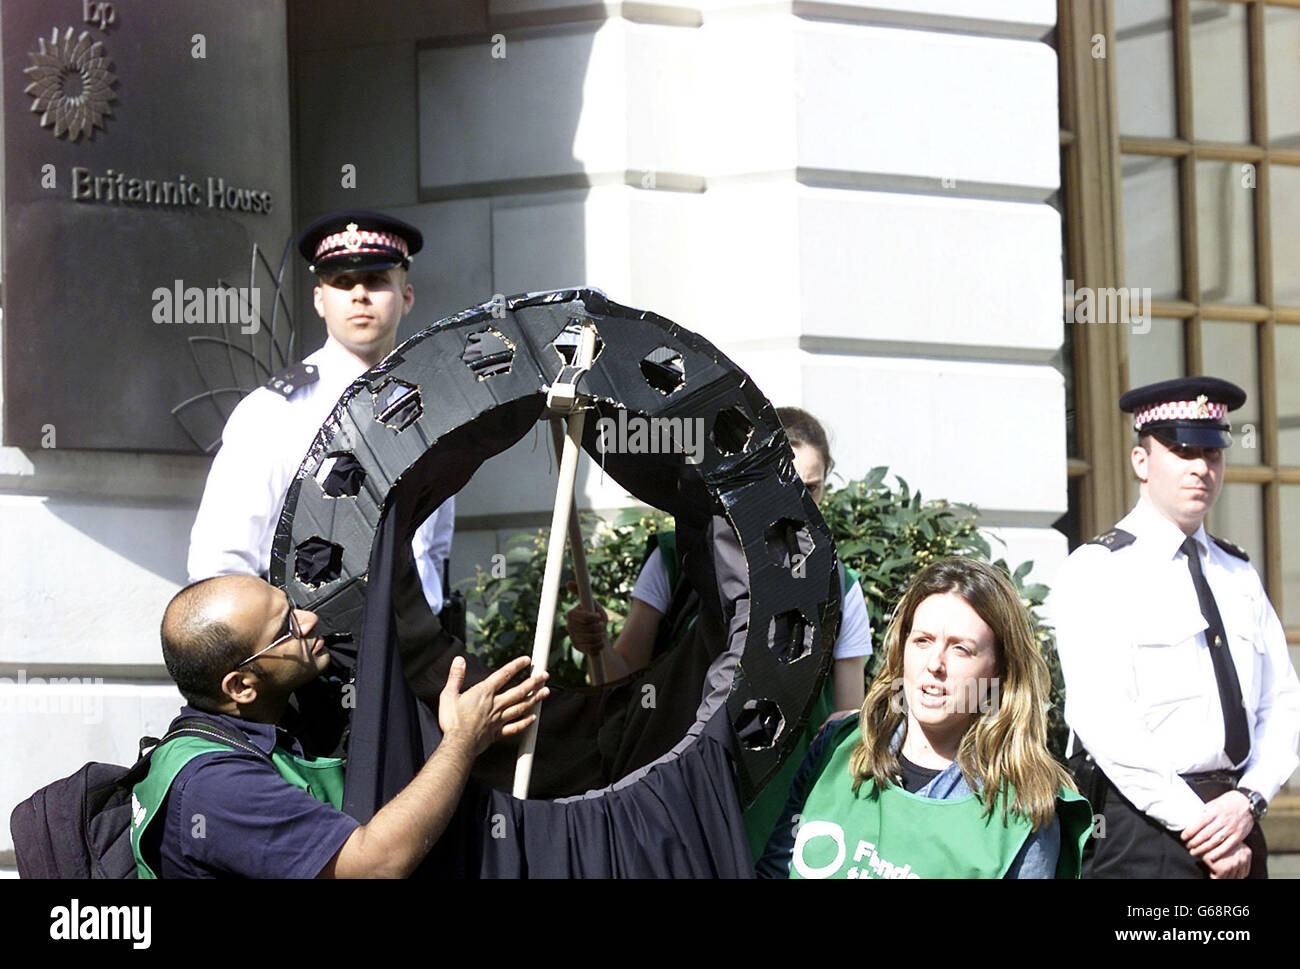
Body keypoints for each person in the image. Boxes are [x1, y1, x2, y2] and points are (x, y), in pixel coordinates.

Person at [564, 407, 873, 856]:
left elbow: (846, 721)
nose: (801, 506)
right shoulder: (676, 560)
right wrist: (596, 646)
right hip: (672, 799)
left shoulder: (839, 585)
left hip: (782, 816)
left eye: (813, 489)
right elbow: (620, 678)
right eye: (788, 487)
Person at [1046, 376, 1300, 879]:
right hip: (1141, 825)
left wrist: (1249, 800)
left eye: (1212, 453)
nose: (1201, 468)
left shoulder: (1237, 571)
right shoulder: (1098, 569)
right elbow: (1103, 720)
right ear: (1142, 462)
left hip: (1236, 817)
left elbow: (1282, 701)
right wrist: (1200, 825)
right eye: (1183, 451)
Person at [130, 574, 548, 878]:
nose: (308, 620)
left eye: (291, 604)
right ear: (241, 686)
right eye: (286, 630)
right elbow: (372, 868)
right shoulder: (217, 787)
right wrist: (461, 740)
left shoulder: (256, 726)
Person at [187, 209, 454, 615]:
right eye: (342, 282)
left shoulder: (432, 405)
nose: (359, 294)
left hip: (418, 654)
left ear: (407, 296)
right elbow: (221, 562)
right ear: (319, 299)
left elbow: (432, 551)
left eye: (377, 280)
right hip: (317, 652)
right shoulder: (276, 411)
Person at [757, 557, 1091, 879]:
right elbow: (775, 871)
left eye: (961, 648)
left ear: (1001, 671)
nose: (935, 664)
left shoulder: (1024, 811)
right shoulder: (837, 750)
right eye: (922, 641)